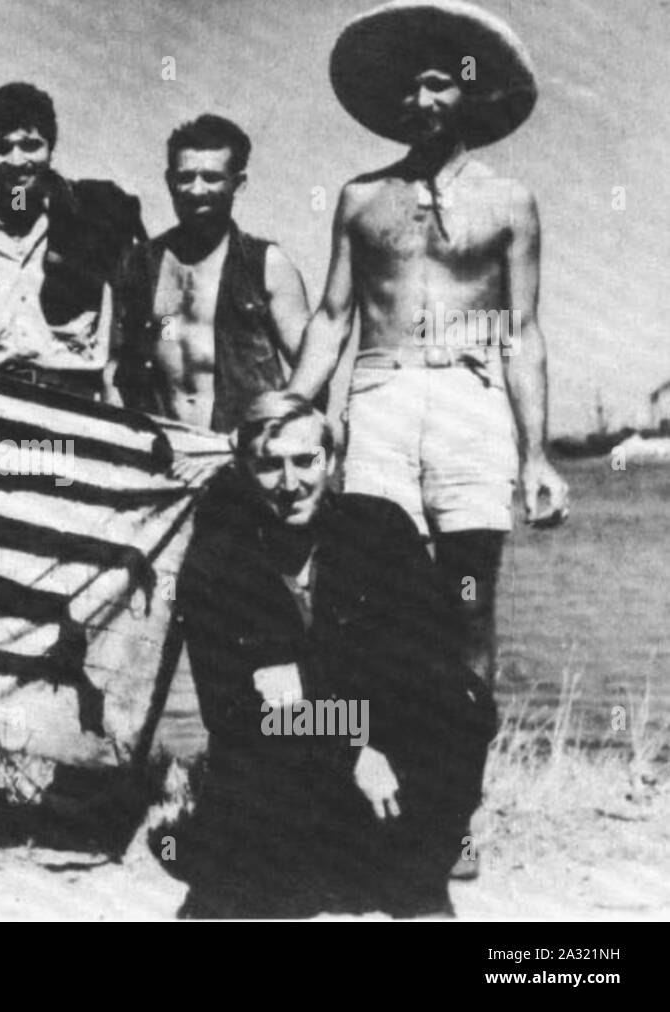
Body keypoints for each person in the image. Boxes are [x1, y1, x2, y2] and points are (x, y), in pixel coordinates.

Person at [287, 0, 570, 692]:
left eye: (440, 83)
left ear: (468, 93)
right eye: (411, 86)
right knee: (371, 593)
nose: (423, 99)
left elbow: (521, 332)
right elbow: (331, 317)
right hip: (381, 396)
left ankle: (457, 786)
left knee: (469, 593)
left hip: (470, 399)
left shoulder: (510, 202)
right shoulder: (361, 198)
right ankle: (379, 774)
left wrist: (538, 455)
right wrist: (292, 406)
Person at [172, 393, 496, 918]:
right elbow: (233, 712)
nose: (291, 482)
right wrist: (351, 747)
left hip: (366, 735)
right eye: (269, 466)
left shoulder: (381, 528)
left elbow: (427, 655)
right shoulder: (215, 563)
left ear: (333, 461)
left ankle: (418, 877)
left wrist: (309, 677)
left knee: (461, 700)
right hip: (280, 769)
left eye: (306, 461)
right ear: (242, 468)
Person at [0, 82, 145, 401]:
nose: (17, 161)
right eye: (2, 148)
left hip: (76, 404)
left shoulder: (95, 219)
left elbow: (137, 305)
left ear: (50, 148)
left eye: (30, 145)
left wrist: (115, 377)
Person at [116, 114, 311, 437]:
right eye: (186, 177)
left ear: (239, 182)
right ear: (169, 181)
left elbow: (312, 367)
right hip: (159, 452)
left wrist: (272, 439)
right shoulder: (137, 266)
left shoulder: (266, 265)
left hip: (241, 457)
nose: (196, 190)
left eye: (211, 177)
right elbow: (115, 369)